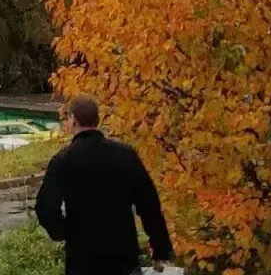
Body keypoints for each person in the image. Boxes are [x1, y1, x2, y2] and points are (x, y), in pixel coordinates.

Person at [34, 95, 174, 275]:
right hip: (123, 255)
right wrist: (160, 247)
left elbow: (45, 207)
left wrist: (64, 232)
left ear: (73, 120)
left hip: (83, 259)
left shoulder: (64, 160)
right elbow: (149, 205)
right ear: (97, 119)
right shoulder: (125, 155)